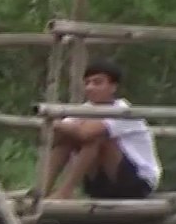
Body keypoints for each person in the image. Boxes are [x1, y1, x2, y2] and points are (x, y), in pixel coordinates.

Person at [41, 59, 162, 200]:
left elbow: (86, 133)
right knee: (67, 138)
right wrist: (58, 126)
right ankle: (42, 191)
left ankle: (65, 191)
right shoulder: (84, 109)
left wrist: (53, 122)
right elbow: (57, 135)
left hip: (136, 184)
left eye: (97, 82)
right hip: (98, 183)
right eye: (87, 83)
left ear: (113, 87)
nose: (90, 88)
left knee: (96, 137)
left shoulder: (123, 111)